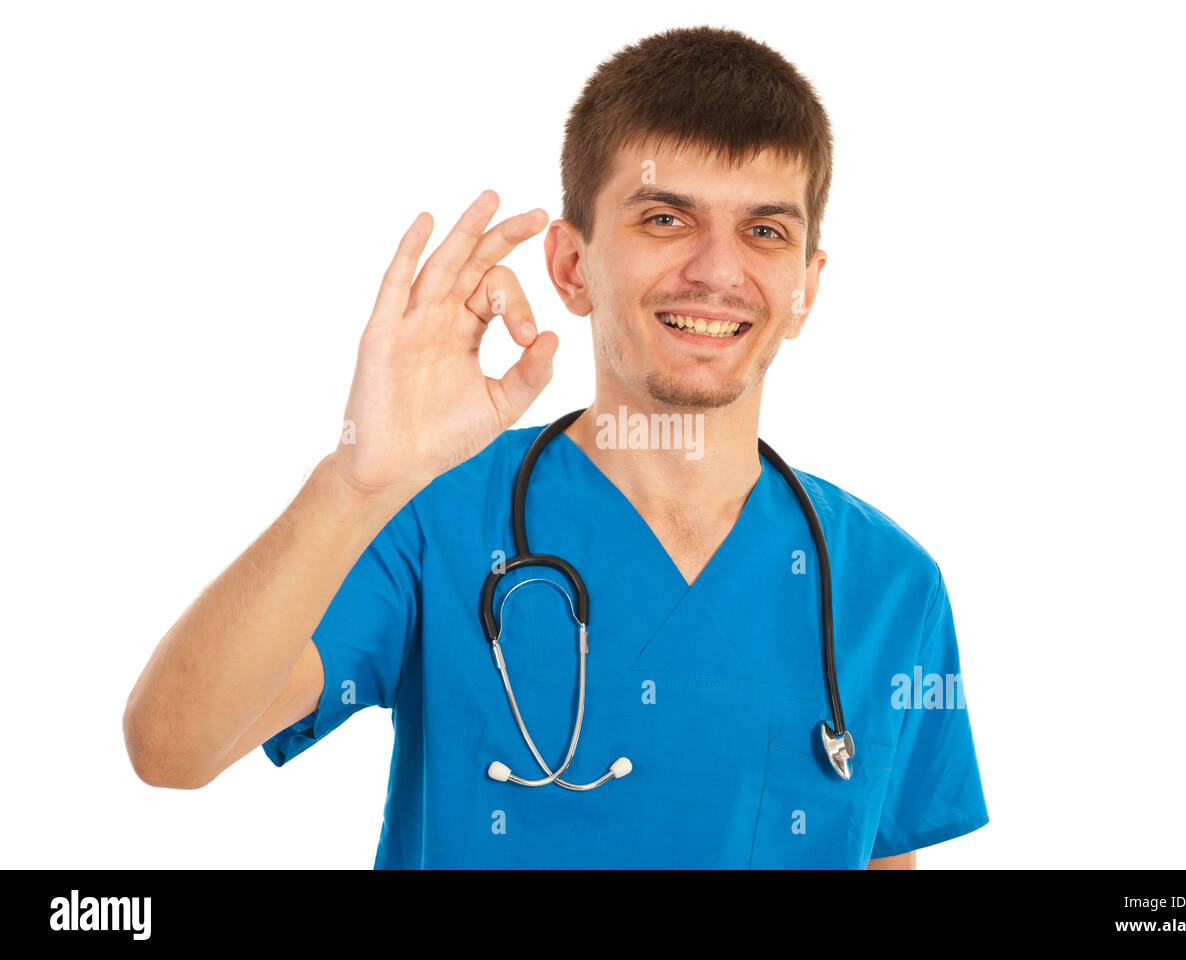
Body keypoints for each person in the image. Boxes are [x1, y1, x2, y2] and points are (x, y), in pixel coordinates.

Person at [123, 25, 989, 869]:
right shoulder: (437, 518)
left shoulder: (888, 586)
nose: (718, 271)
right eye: (665, 218)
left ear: (806, 287)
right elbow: (172, 751)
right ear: (573, 268)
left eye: (765, 231)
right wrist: (354, 486)